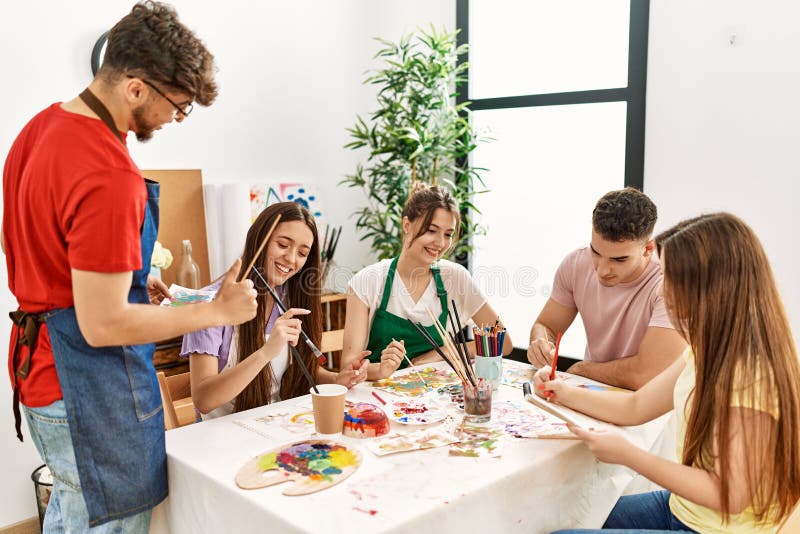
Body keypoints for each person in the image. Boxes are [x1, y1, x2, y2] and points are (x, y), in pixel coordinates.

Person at [2, 2, 257, 531]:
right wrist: (215, 311)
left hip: (39, 372)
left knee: (73, 507)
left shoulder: (39, 130)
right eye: (178, 106)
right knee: (108, 520)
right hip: (84, 385)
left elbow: (33, 248)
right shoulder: (109, 172)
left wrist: (131, 279)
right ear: (136, 88)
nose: (176, 120)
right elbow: (104, 324)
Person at [536, 213, 800, 533]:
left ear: (706, 287)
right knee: (557, 515)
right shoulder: (703, 349)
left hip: (715, 528)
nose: (661, 289)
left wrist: (627, 455)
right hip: (683, 509)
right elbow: (637, 407)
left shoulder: (752, 378)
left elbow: (730, 496)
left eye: (669, 277)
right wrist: (562, 390)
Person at [182, 202, 367, 419]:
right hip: (221, 436)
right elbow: (204, 400)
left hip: (274, 424)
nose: (291, 259)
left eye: (302, 252)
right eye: (282, 244)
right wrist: (266, 352)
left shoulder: (290, 296)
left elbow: (301, 369)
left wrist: (336, 379)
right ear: (259, 239)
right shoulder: (210, 303)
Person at [341, 182, 512, 381]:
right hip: (377, 395)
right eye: (431, 230)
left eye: (448, 234)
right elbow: (348, 367)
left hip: (434, 395)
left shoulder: (455, 278)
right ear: (406, 225)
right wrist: (381, 369)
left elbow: (502, 342)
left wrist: (442, 353)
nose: (440, 243)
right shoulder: (368, 281)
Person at [527, 188, 686, 390]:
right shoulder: (576, 264)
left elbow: (646, 375)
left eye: (619, 259)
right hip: (592, 393)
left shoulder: (670, 284)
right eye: (596, 251)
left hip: (649, 406)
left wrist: (582, 371)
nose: (602, 270)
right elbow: (546, 325)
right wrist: (540, 343)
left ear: (647, 249)